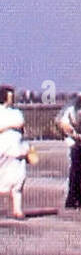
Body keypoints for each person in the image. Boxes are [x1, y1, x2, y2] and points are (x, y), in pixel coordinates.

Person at [0, 85, 34, 219]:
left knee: (18, 179)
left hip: (16, 151)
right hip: (2, 150)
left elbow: (21, 125)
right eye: (9, 95)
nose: (12, 98)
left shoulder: (16, 112)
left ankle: (17, 210)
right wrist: (9, 125)